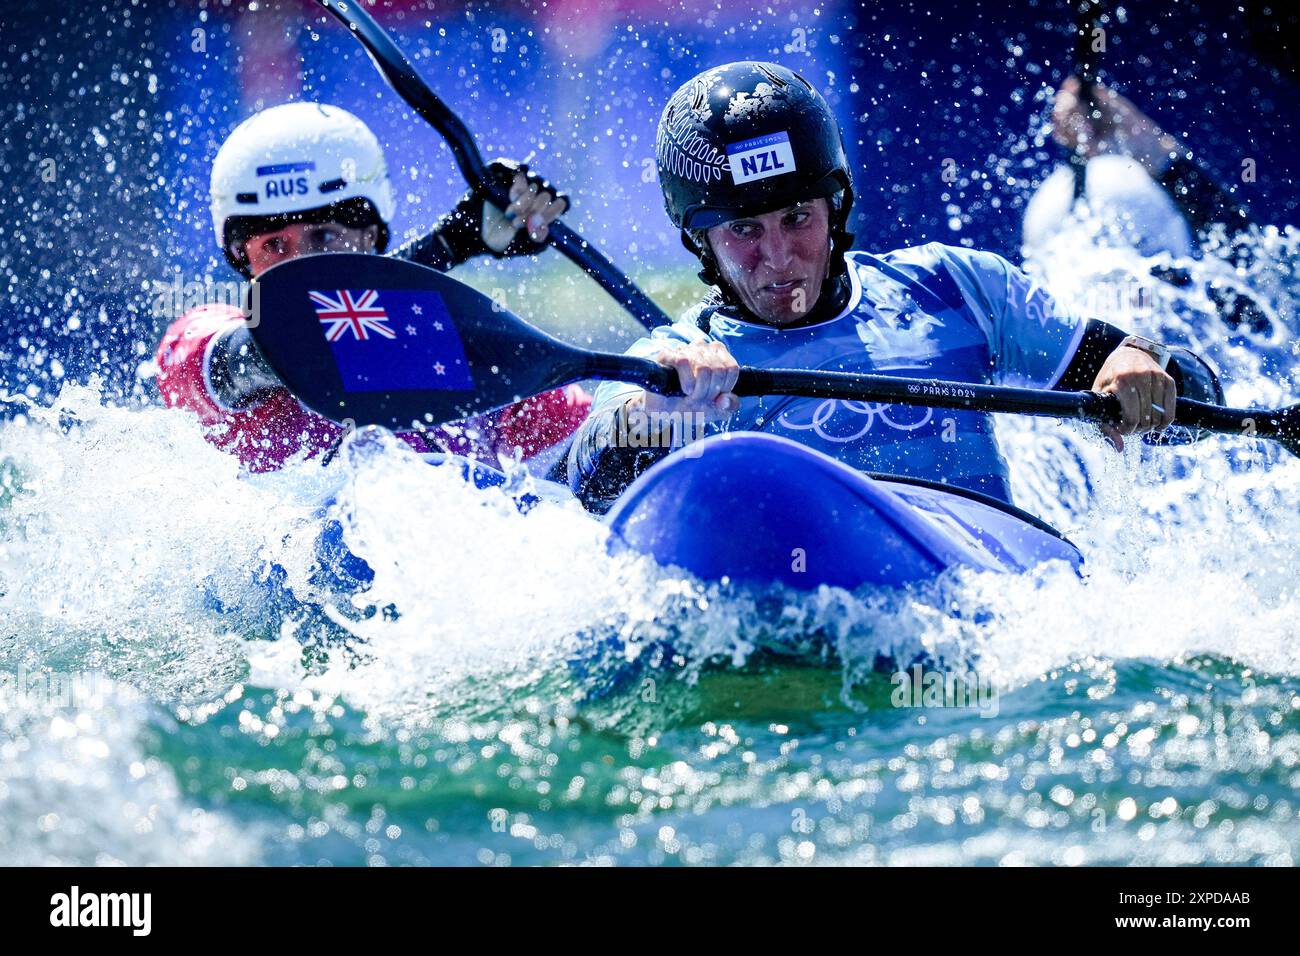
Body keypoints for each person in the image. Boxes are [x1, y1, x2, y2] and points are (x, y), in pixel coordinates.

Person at [568, 62, 1225, 512]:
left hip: (986, 608)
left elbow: (1192, 401)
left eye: (797, 217)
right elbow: (587, 482)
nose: (777, 256)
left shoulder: (956, 285)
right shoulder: (677, 361)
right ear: (699, 240)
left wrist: (1144, 367)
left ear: (837, 205)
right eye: (743, 230)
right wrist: (651, 414)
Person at [156, 102, 590, 473]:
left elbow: (589, 462)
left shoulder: (453, 352)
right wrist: (447, 245)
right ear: (243, 260)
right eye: (273, 245)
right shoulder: (200, 337)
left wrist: (639, 410)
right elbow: (299, 333)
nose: (300, 264)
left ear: (370, 237)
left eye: (324, 237)